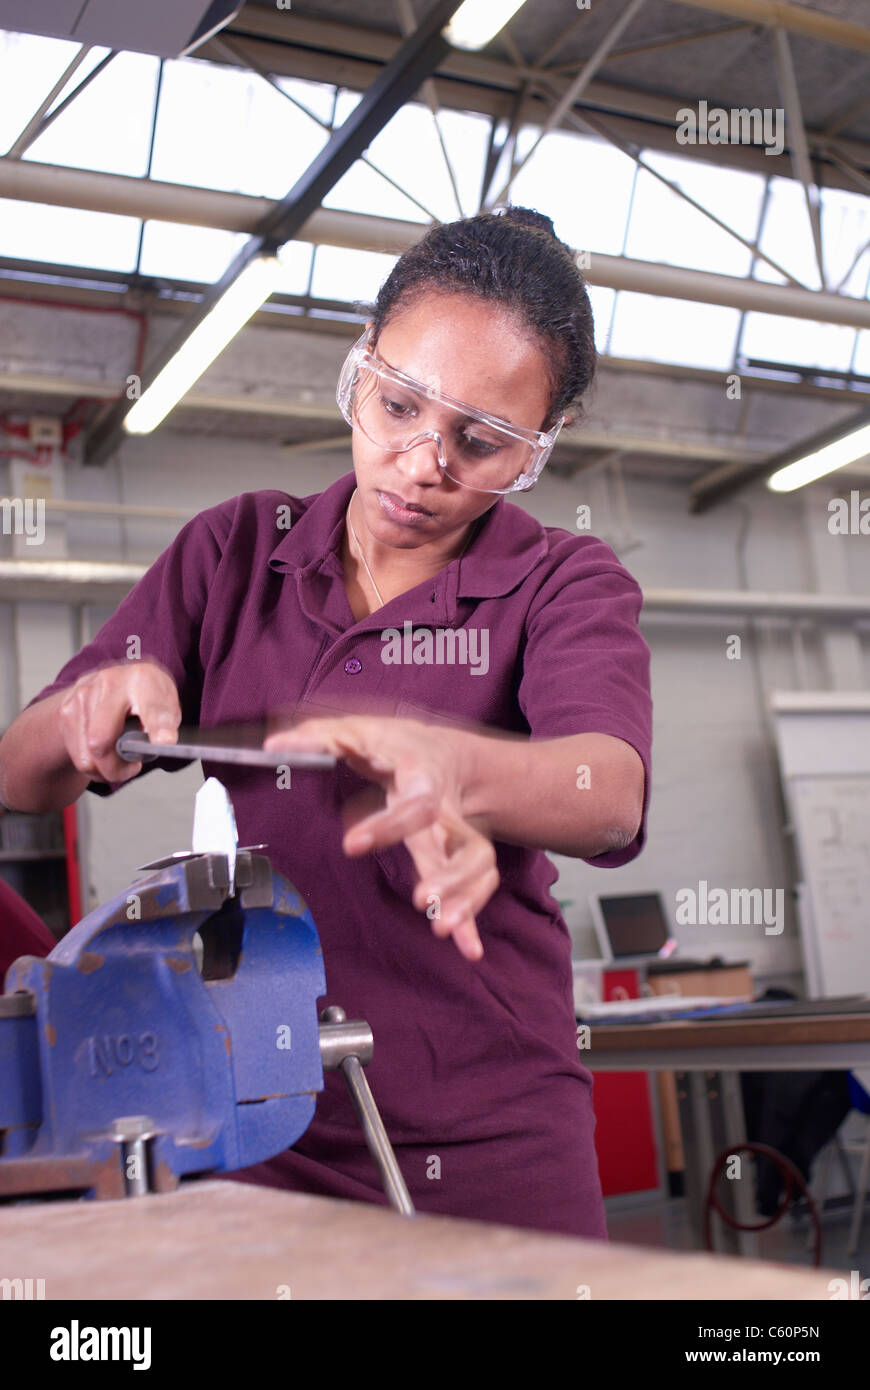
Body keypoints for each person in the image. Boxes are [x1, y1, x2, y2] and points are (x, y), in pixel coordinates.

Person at [0, 206, 652, 1238]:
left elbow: (608, 794)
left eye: (481, 443)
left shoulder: (560, 580)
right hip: (256, 1127)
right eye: (397, 405)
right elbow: (18, 779)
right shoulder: (235, 553)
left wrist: (460, 771)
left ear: (540, 448)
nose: (424, 461)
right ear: (360, 366)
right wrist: (80, 714)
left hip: (493, 1137)